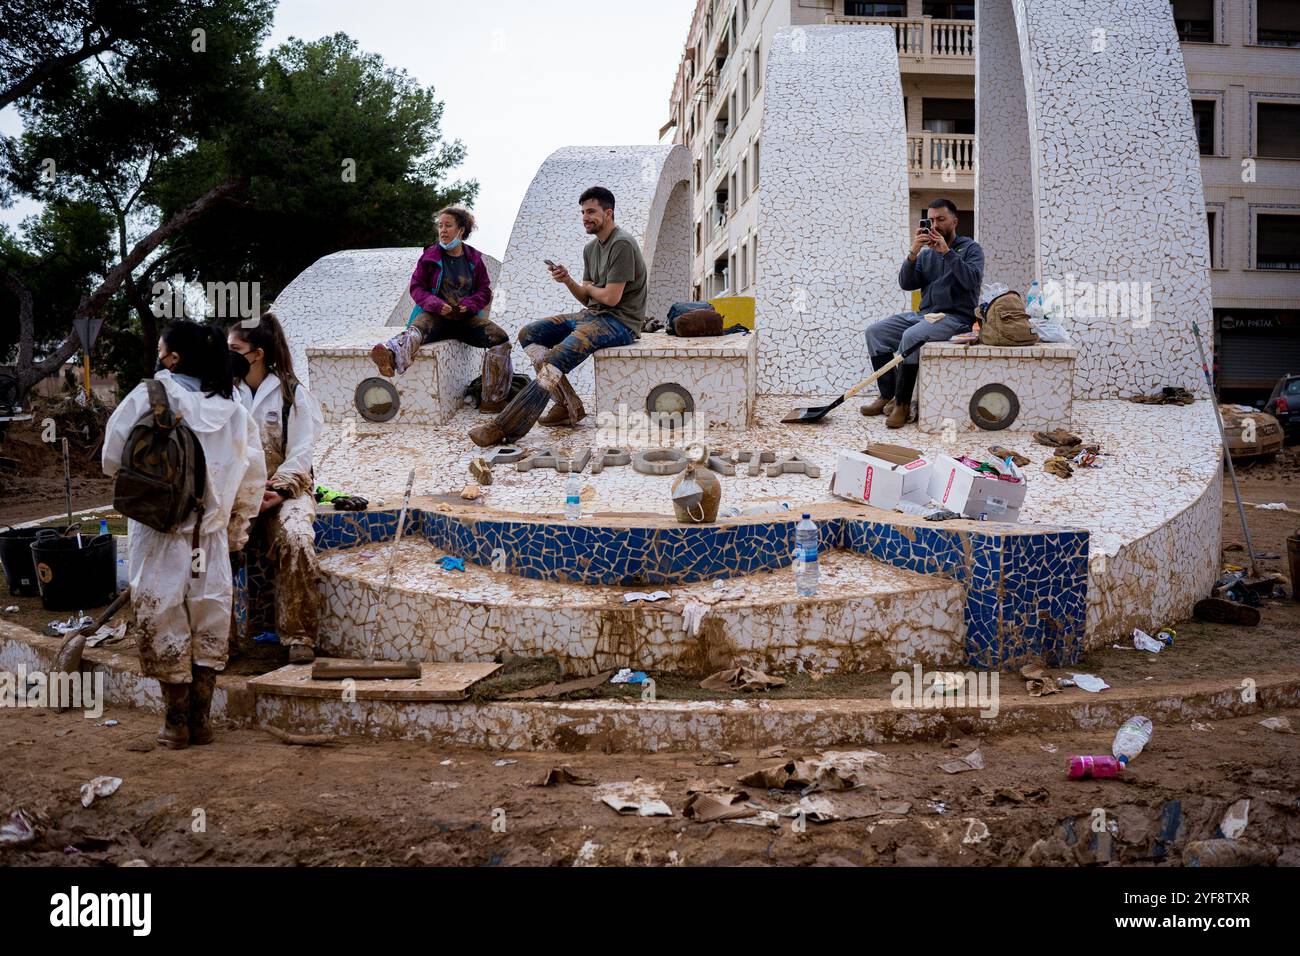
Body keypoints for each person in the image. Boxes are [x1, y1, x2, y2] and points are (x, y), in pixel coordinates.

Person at [102, 320, 265, 749]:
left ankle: (175, 725)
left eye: (162, 346)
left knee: (163, 619)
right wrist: (237, 532)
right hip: (210, 539)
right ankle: (202, 721)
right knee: (209, 620)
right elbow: (252, 481)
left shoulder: (148, 398)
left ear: (172, 357)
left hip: (158, 534)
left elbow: (111, 458)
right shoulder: (235, 409)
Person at [469, 186, 647, 446]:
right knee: (529, 333)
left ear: (608, 213)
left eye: (591, 212)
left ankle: (505, 426)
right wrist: (568, 281)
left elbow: (611, 298)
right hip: (592, 315)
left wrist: (589, 289)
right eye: (583, 212)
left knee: (555, 359)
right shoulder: (591, 249)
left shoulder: (622, 244)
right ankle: (567, 405)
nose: (585, 217)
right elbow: (588, 297)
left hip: (620, 323)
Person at [228, 313, 325, 665]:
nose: (228, 355)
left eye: (234, 349)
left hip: (284, 492)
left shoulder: (292, 394)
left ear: (257, 352)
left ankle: (299, 634)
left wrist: (278, 491)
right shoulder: (223, 392)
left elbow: (302, 453)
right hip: (235, 493)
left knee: (297, 537)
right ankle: (220, 639)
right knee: (212, 545)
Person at [370, 205, 513, 412]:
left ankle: (493, 399)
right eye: (440, 226)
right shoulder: (430, 256)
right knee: (417, 329)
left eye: (448, 226)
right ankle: (390, 357)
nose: (443, 231)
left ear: (461, 230)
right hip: (436, 316)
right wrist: (437, 305)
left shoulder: (474, 259)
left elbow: (484, 291)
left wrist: (468, 305)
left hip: (466, 320)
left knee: (500, 338)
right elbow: (416, 288)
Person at [861, 199, 985, 428]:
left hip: (956, 319)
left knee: (911, 336)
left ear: (954, 222)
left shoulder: (971, 249)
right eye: (931, 220)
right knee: (875, 333)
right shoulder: (926, 254)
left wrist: (947, 252)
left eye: (941, 219)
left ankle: (903, 405)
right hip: (925, 315)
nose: (935, 225)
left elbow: (971, 281)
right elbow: (906, 284)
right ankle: (887, 395)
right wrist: (913, 253)